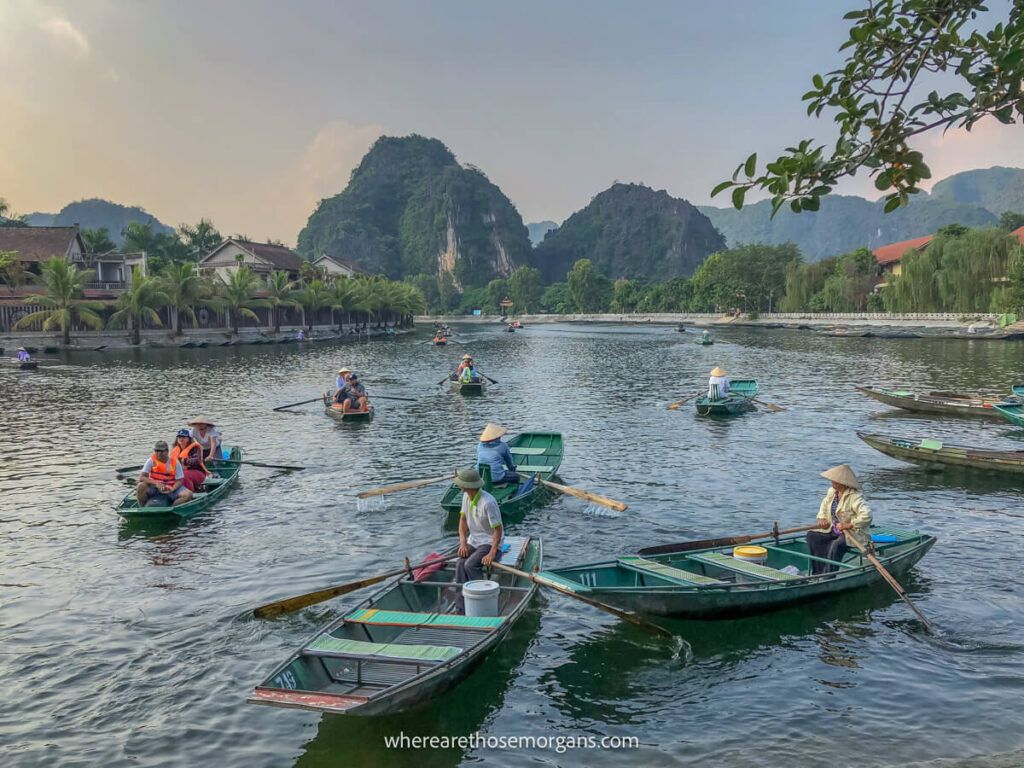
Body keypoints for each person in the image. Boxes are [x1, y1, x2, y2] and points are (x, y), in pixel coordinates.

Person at [807, 464, 873, 574]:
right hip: (833, 529)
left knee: (836, 545)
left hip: (851, 534)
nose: (832, 482)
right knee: (812, 536)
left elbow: (867, 516)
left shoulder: (855, 497)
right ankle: (818, 572)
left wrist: (849, 525)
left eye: (835, 481)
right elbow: (825, 504)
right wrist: (822, 517)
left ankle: (829, 575)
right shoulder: (832, 491)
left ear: (843, 483)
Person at [454, 468, 503, 613]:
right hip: (474, 540)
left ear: (467, 486)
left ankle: (482, 598)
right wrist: (463, 542)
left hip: (489, 541)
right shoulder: (466, 498)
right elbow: (462, 521)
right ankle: (461, 607)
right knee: (459, 563)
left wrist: (492, 552)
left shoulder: (488, 502)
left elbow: (497, 529)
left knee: (470, 565)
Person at [136, 440, 193, 507]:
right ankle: (143, 508)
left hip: (171, 487)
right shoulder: (151, 461)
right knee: (140, 486)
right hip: (155, 488)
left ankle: (172, 508)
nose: (159, 453)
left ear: (167, 451)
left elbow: (179, 480)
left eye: (161, 451)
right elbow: (142, 477)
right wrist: (157, 483)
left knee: (188, 494)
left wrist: (173, 489)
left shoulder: (175, 462)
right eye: (157, 451)